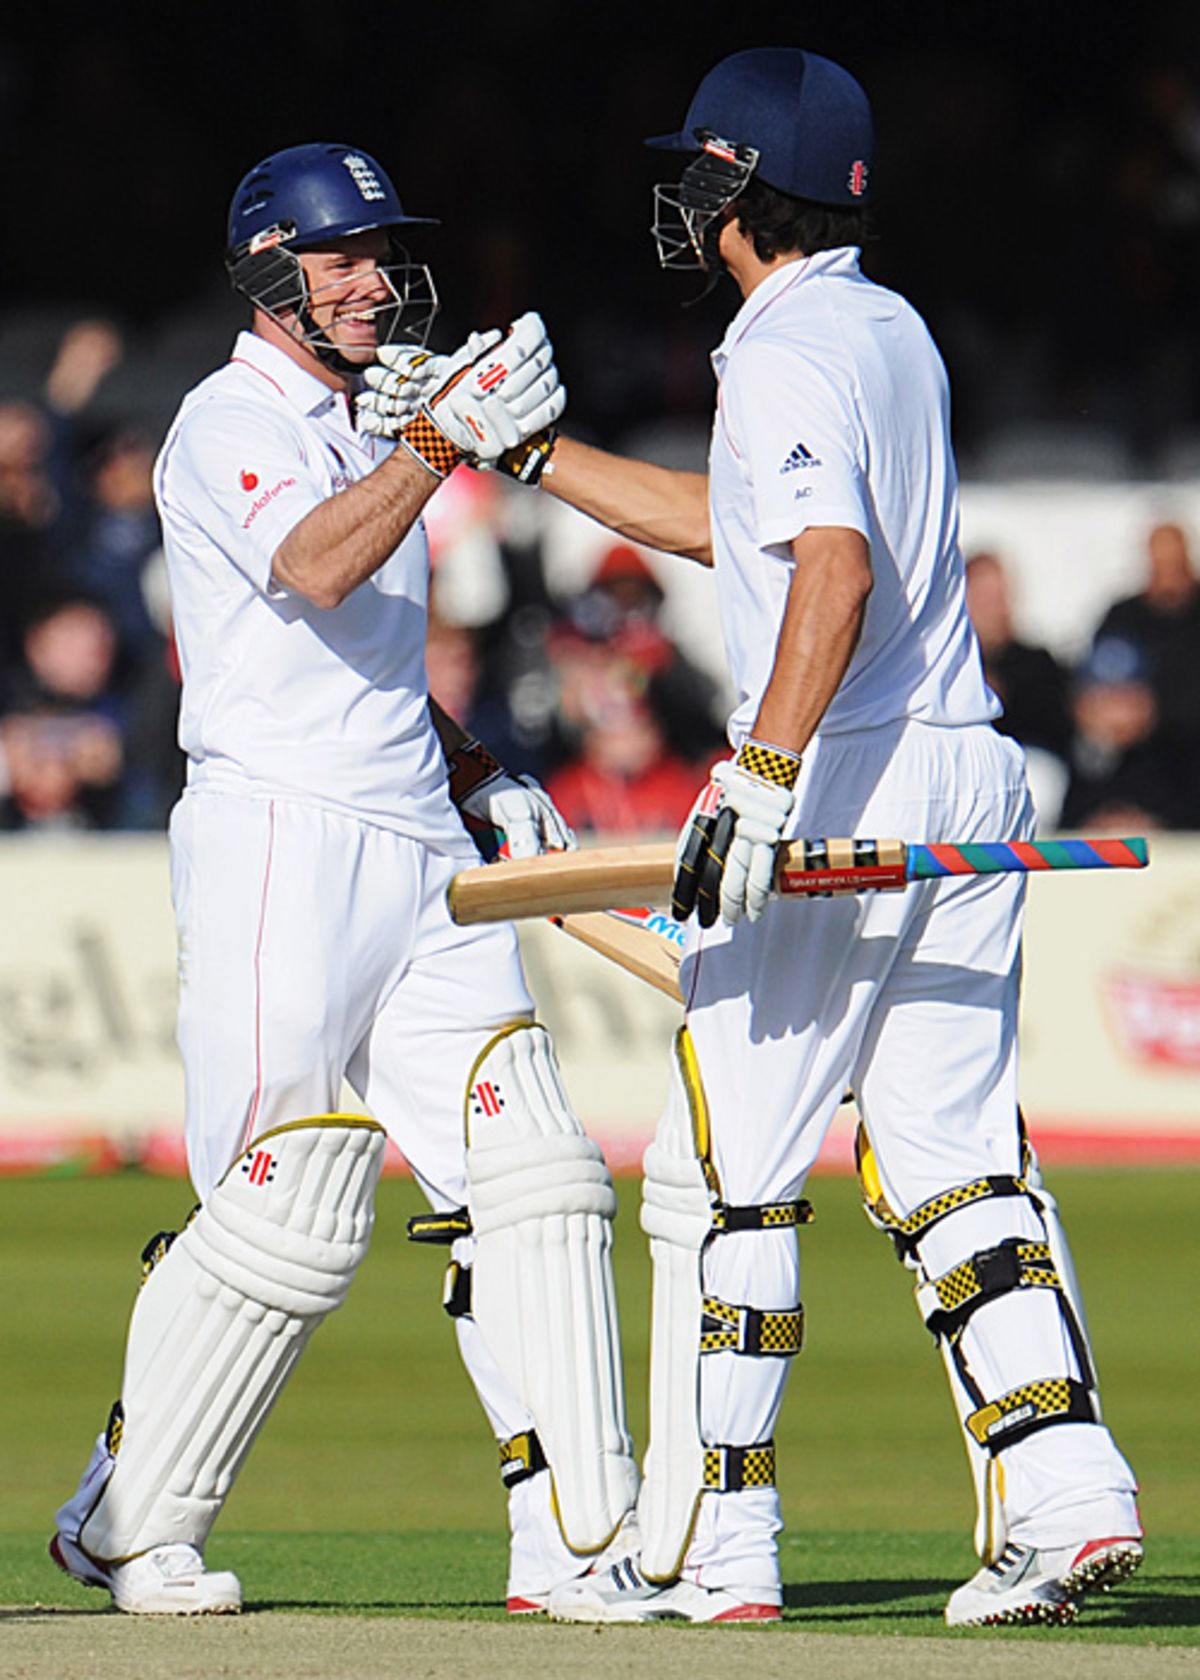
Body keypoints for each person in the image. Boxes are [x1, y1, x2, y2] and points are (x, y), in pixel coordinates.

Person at [450, 48, 1142, 1626]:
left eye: (696, 174)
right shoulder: (886, 326)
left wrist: (761, 773)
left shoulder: (780, 348)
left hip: (846, 778)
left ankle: (723, 1546)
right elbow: (733, 525)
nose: (680, 201)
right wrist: (534, 456)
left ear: (739, 189)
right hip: (962, 765)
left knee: (733, 1167)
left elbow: (827, 566)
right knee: (955, 1162)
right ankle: (1070, 1493)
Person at [49, 142, 639, 1616]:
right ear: (271, 274)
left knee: (535, 1173)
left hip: (417, 841)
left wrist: (476, 767)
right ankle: (128, 1523)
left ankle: (577, 1540)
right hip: (280, 842)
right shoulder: (227, 419)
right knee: (281, 1204)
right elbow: (314, 568)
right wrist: (437, 447)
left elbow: (362, 663)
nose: (376, 281)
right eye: (343, 258)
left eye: (383, 253)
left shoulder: (366, 426)